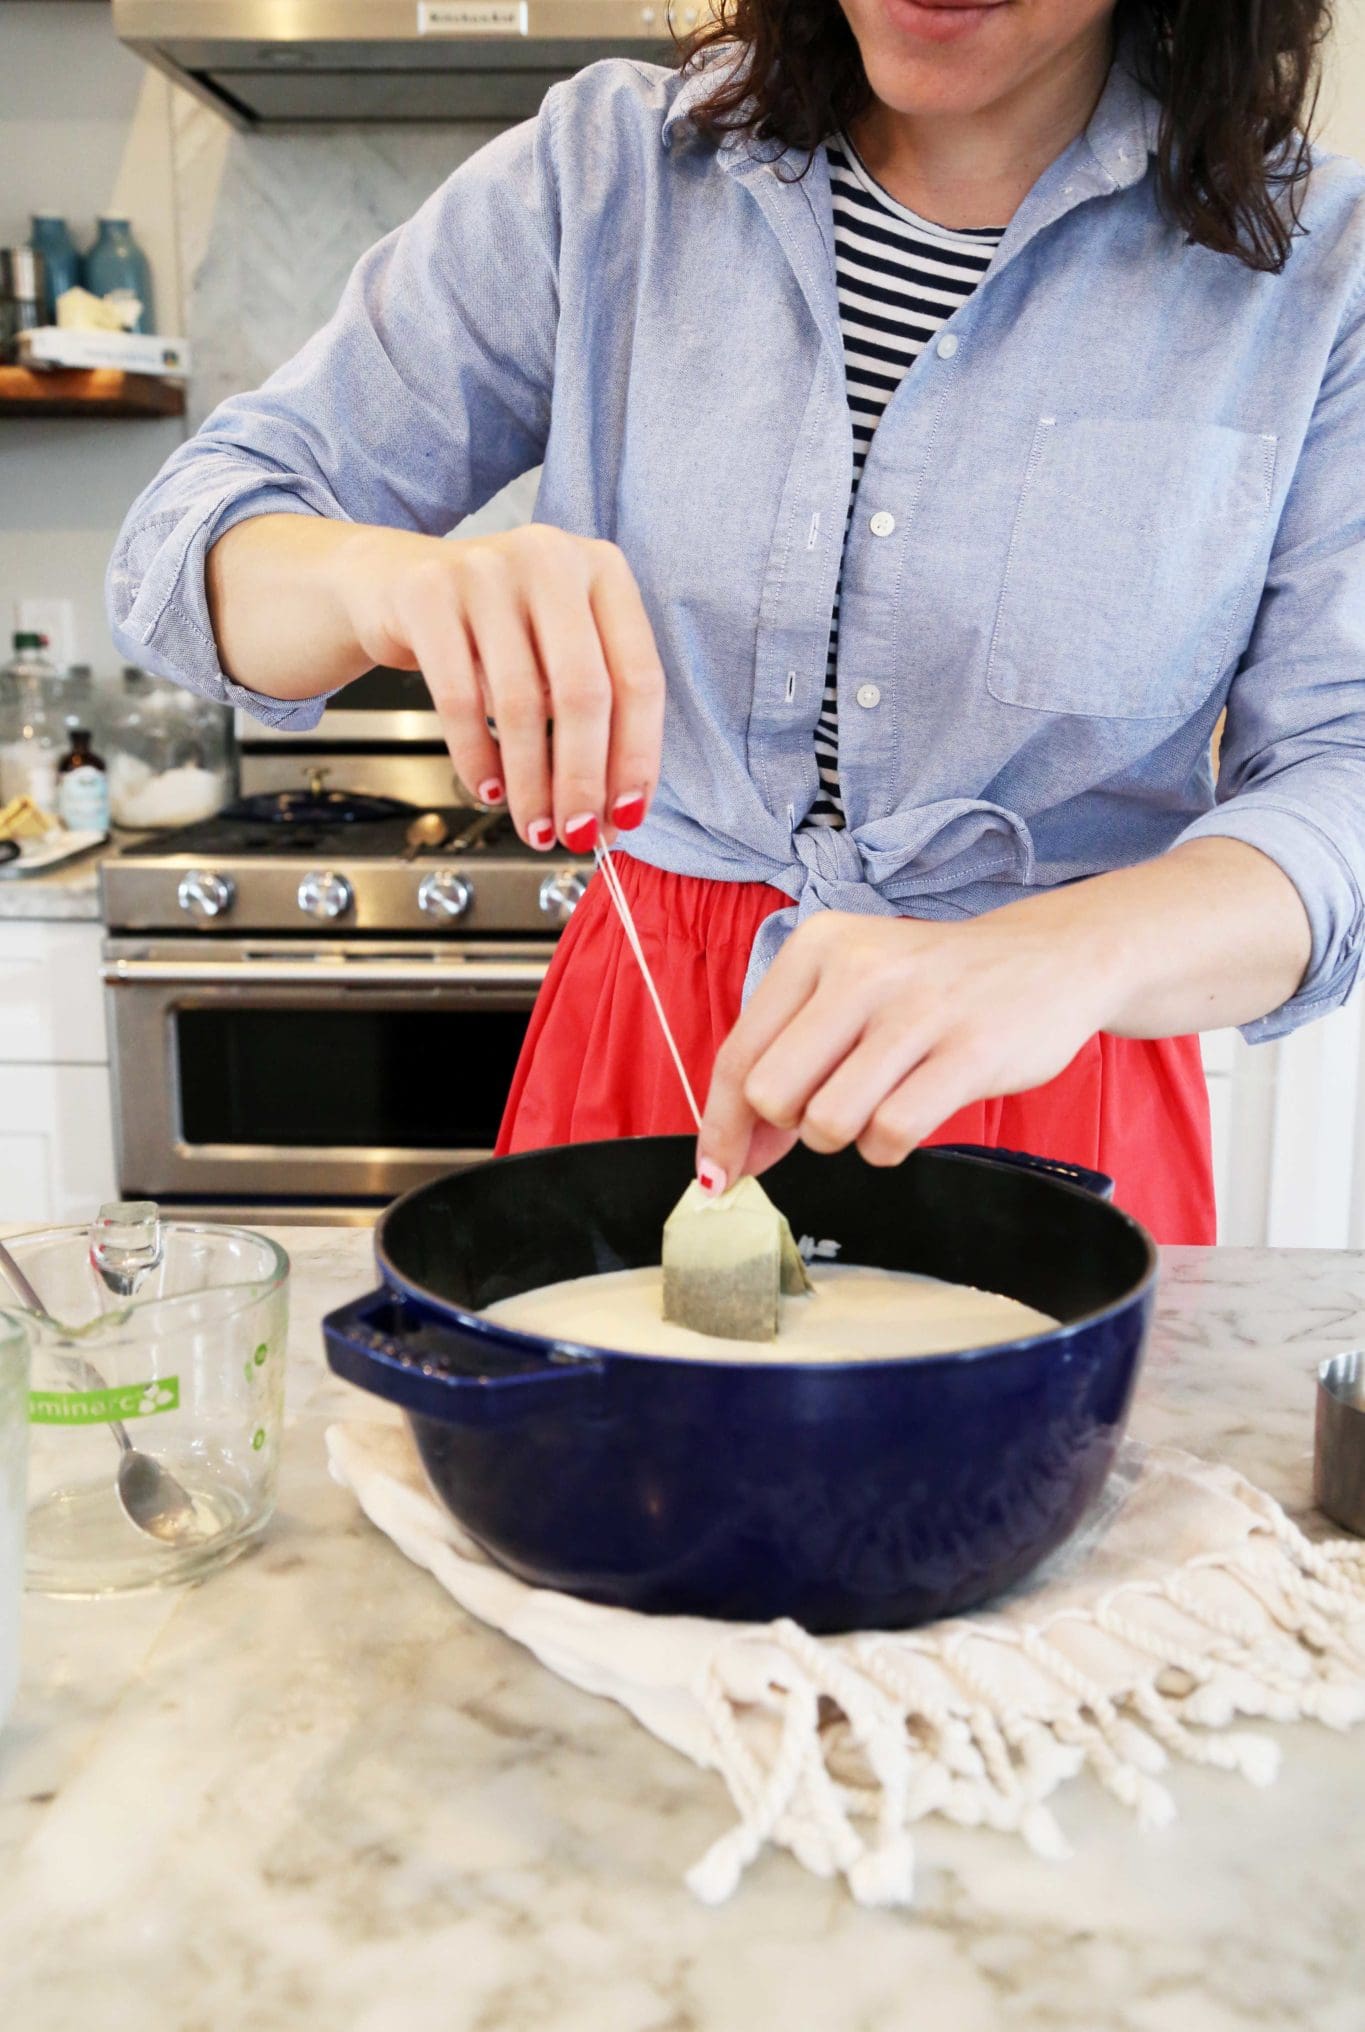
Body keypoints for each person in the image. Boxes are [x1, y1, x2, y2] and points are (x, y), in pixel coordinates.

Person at [109, 0, 1365, 1243]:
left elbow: (1343, 772)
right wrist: (384, 583)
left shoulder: (1320, 272)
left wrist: (1070, 953)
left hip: (1048, 1084)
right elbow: (183, 546)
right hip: (645, 1043)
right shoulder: (609, 175)